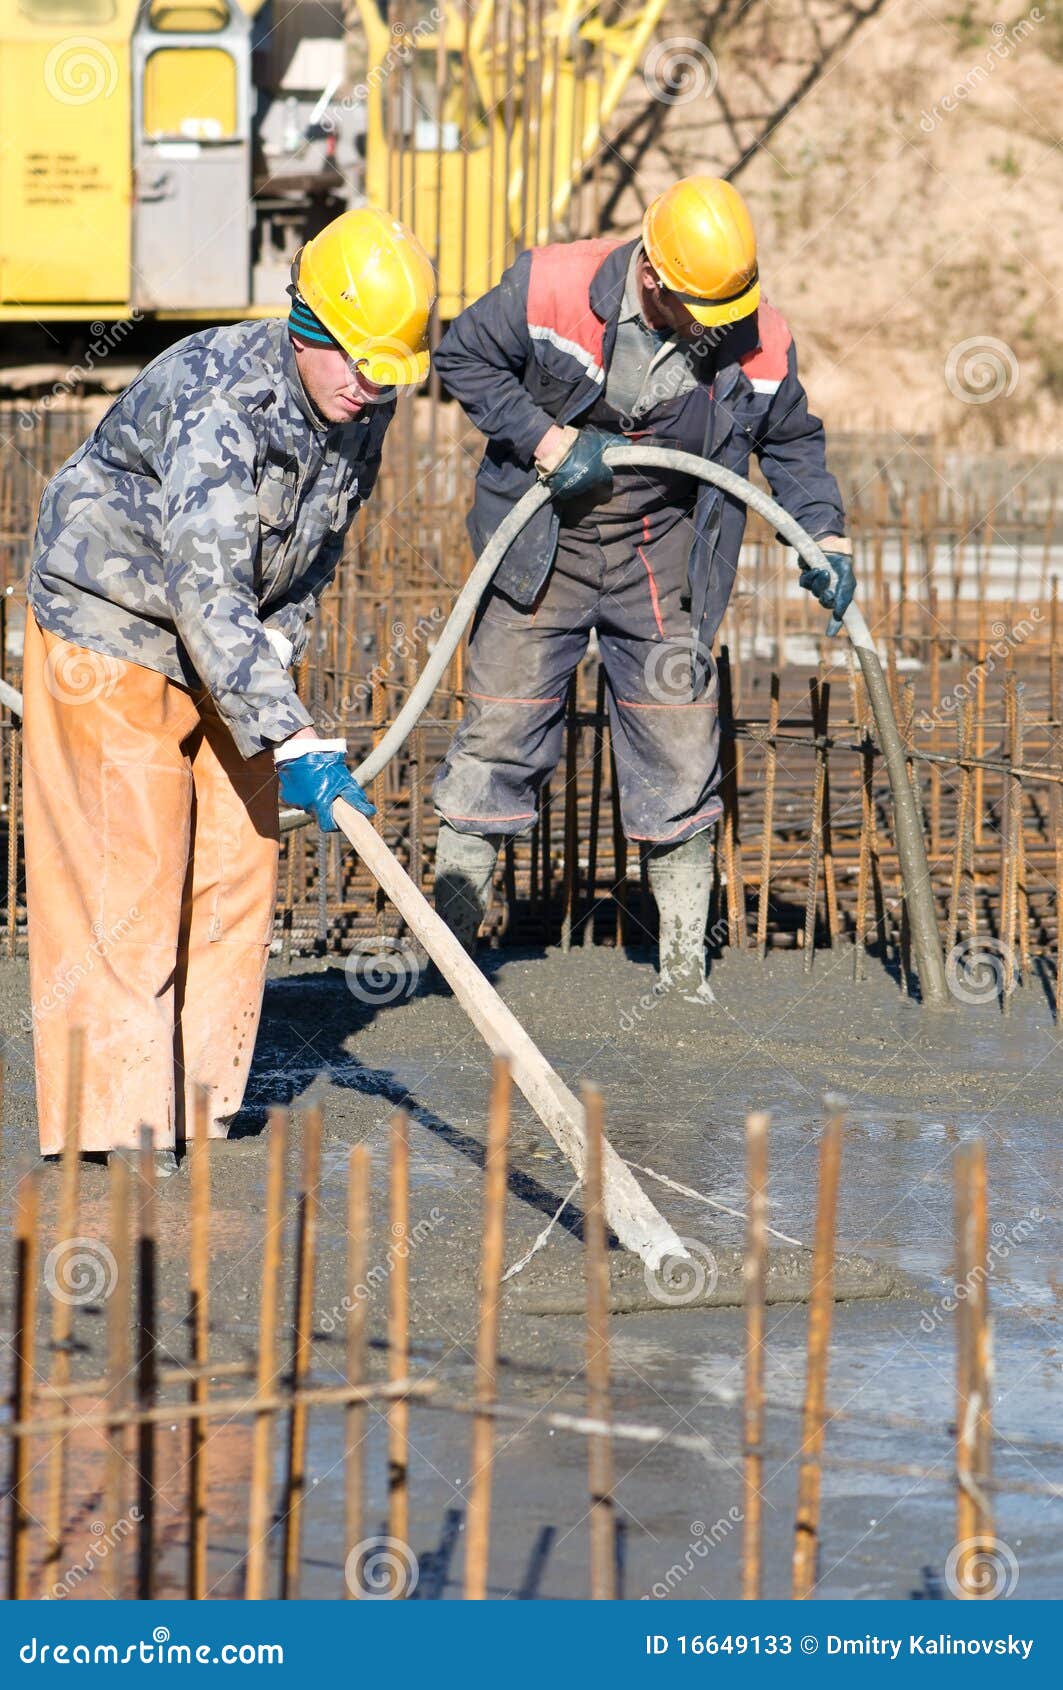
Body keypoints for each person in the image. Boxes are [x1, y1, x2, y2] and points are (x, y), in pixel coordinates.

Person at [23, 206, 435, 1169]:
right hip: (111, 621)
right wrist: (286, 736)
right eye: (356, 360)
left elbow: (305, 558)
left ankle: (193, 1107)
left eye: (389, 368)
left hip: (230, 643)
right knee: (132, 871)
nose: (373, 385)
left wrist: (270, 692)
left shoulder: (359, 403)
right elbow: (204, 583)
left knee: (236, 864)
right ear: (309, 325)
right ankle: (115, 1130)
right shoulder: (226, 402)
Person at [431, 176, 853, 999]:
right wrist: (547, 440)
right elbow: (461, 357)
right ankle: (447, 961)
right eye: (703, 308)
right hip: (539, 538)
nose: (721, 327)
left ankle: (683, 972)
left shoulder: (755, 334)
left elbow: (792, 441)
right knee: (497, 732)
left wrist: (822, 530)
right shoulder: (550, 284)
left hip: (660, 552)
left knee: (677, 739)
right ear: (654, 280)